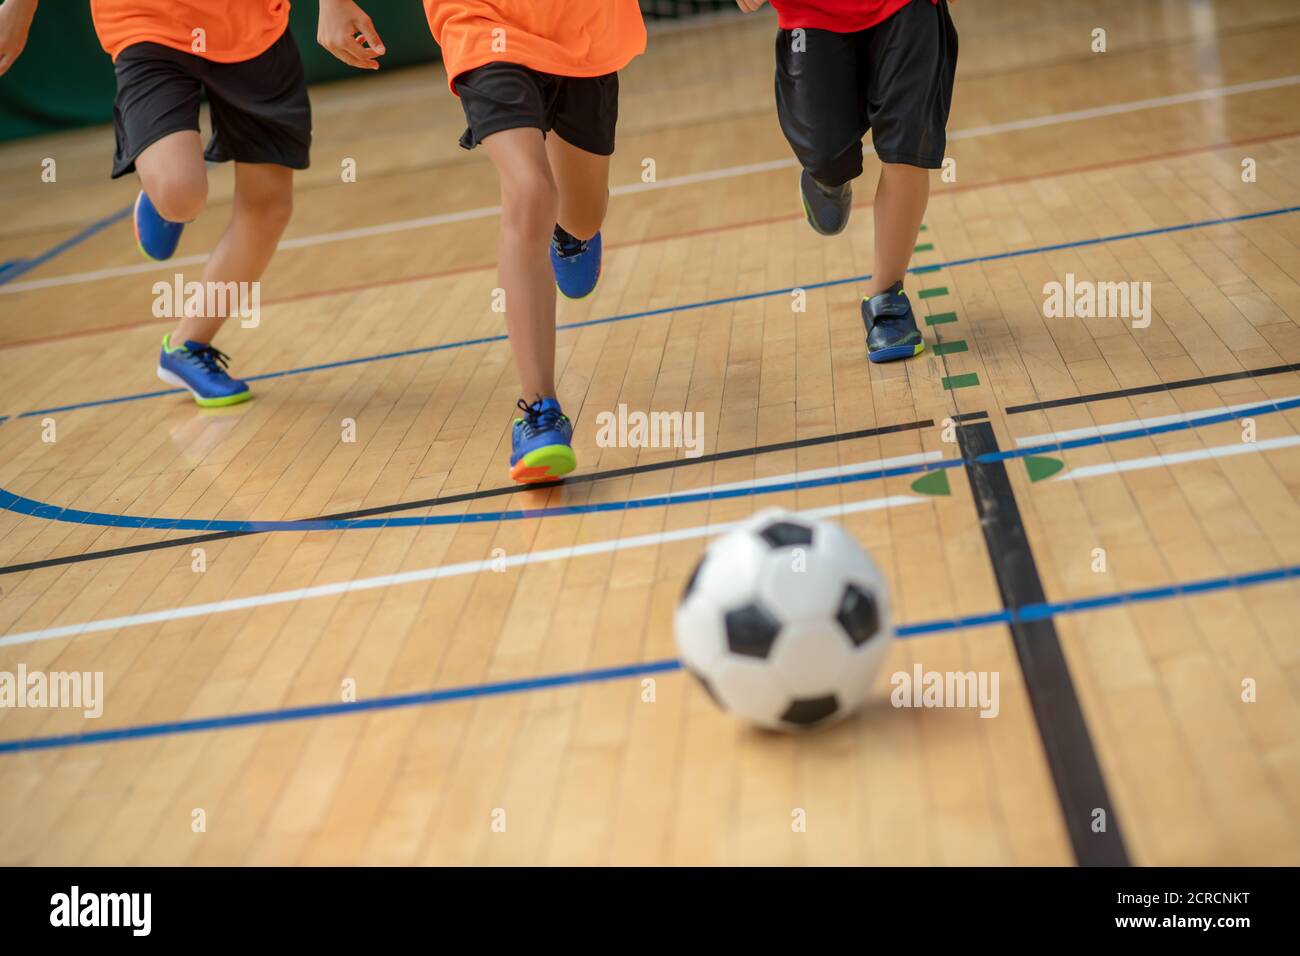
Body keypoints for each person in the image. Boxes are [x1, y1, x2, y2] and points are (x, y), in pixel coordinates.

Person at [318, 0, 645, 482]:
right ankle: (539, 414)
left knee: (582, 215)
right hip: (481, 21)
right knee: (531, 191)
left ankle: (570, 235)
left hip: (585, 23)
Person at [0, 0, 311, 406]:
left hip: (255, 26)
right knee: (181, 194)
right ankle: (165, 193)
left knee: (269, 207)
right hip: (149, 20)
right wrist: (19, 10)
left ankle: (187, 346)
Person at [736, 0, 957, 362]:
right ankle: (829, 180)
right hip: (812, 11)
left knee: (909, 144)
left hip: (908, 8)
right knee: (826, 156)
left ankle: (886, 298)